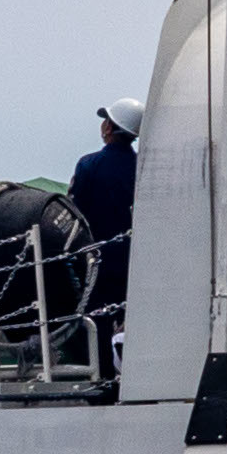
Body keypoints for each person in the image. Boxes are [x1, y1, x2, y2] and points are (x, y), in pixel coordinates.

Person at [67, 100, 141, 387]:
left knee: (97, 320)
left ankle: (102, 377)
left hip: (97, 257)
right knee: (129, 316)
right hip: (134, 258)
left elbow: (76, 211)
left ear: (109, 127)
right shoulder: (142, 166)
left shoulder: (89, 165)